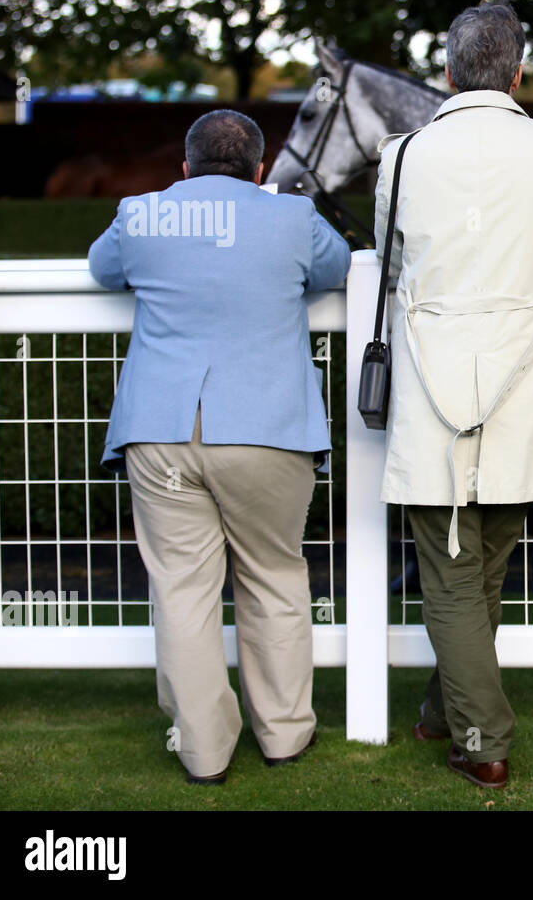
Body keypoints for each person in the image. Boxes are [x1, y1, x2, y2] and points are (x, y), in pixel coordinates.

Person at [376, 1, 533, 789]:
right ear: (518, 74)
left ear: (447, 72)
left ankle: (474, 732)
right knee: (480, 570)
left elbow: (389, 254)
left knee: (455, 572)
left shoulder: (404, 155)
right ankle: (463, 720)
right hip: (524, 393)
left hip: (436, 395)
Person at [88, 109, 350, 784]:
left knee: (182, 589)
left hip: (162, 429)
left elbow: (102, 269)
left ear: (185, 166)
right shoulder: (292, 217)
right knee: (274, 576)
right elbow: (336, 268)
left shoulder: (140, 213)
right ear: (259, 169)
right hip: (268, 428)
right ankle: (285, 734)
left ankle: (202, 749)